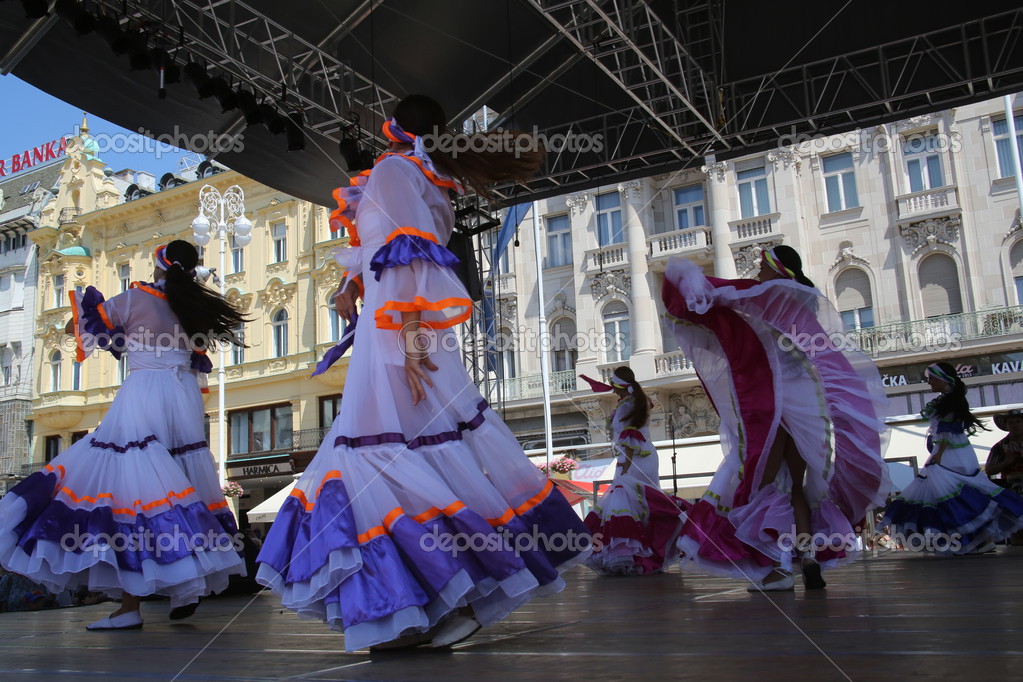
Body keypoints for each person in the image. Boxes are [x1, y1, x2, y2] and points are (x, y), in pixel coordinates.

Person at [256, 95, 592, 652]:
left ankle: (432, 601)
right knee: (398, 459)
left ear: (389, 125)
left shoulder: (395, 171)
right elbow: (389, 256)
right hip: (397, 332)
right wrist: (351, 288)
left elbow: (410, 259)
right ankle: (428, 604)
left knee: (376, 458)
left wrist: (411, 348)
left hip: (400, 338)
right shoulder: (420, 176)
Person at [0, 241, 248, 629]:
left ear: (160, 266)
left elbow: (83, 328)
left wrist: (85, 321)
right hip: (183, 395)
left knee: (130, 490)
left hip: (144, 391)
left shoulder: (135, 298)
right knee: (183, 480)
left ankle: (130, 607)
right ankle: (187, 585)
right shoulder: (195, 304)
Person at [661, 246, 890, 591]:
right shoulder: (804, 300)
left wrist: (694, 286)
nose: (758, 275)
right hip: (807, 402)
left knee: (762, 483)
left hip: (777, 402)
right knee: (795, 486)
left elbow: (732, 301)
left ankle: (778, 567)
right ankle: (808, 556)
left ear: (776, 269)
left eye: (762, 268)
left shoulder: (773, 296)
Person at [882, 363, 1023, 553]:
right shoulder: (949, 400)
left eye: (932, 378)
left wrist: (938, 455)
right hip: (955, 452)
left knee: (949, 494)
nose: (929, 382)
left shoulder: (949, 402)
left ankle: (978, 540)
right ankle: (978, 539)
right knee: (954, 494)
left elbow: (947, 431)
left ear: (944, 380)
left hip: (950, 454)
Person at [580, 368, 686, 575]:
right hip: (643, 454)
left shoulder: (628, 405)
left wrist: (625, 463)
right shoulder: (639, 400)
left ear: (620, 387)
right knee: (642, 502)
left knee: (624, 498)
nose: (612, 391)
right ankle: (644, 555)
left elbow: (629, 433)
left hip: (632, 454)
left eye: (613, 387)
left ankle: (631, 556)